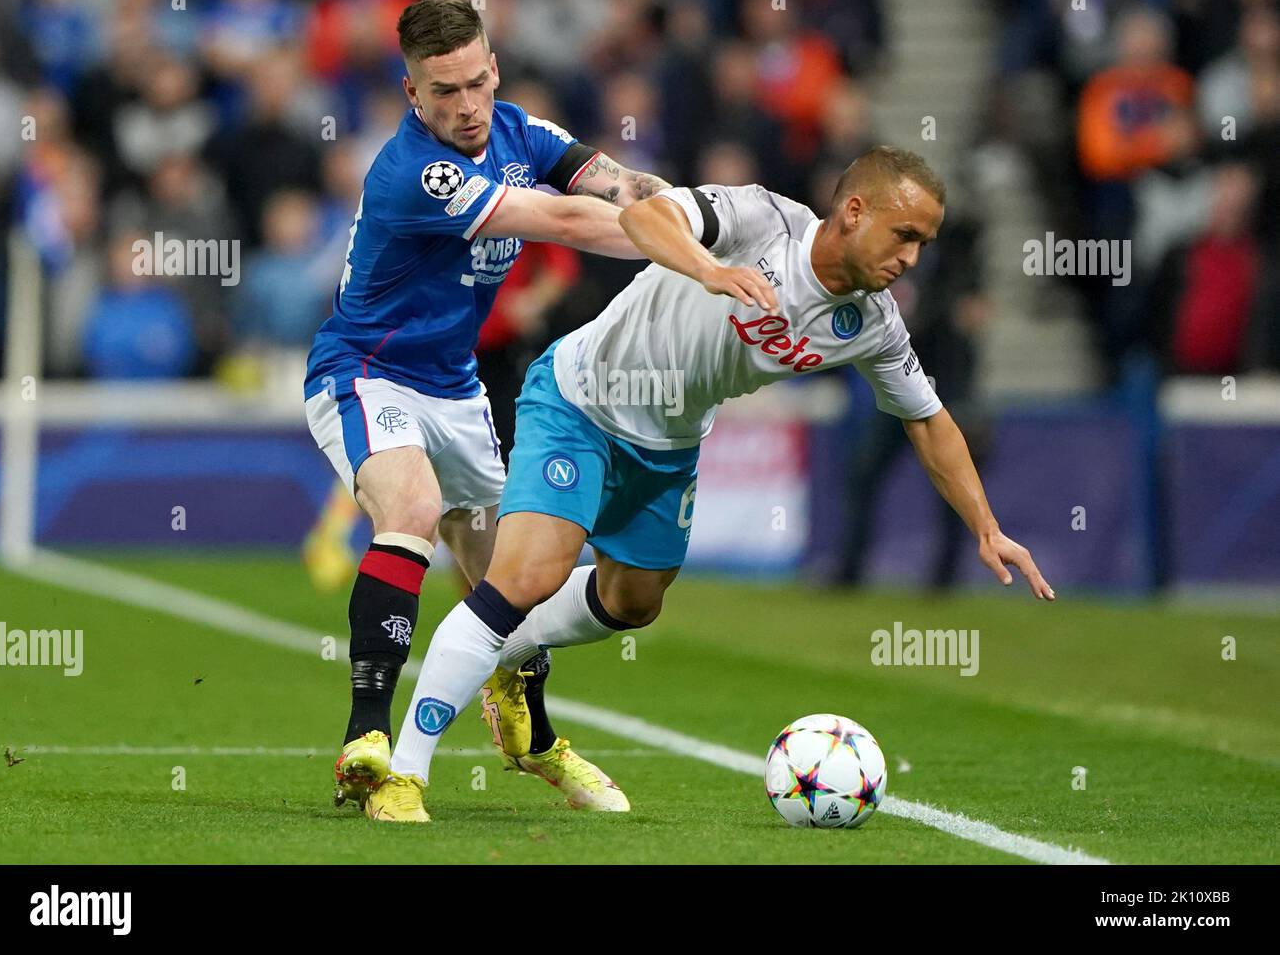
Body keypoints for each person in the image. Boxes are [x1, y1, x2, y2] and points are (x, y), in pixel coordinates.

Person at [368, 146, 1055, 822]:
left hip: (669, 440)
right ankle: (406, 772)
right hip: (581, 399)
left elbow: (929, 420)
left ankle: (507, 656)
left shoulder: (871, 324)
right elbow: (642, 215)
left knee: (634, 601)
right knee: (526, 577)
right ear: (853, 211)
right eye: (904, 235)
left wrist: (987, 528)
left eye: (923, 244)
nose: (910, 257)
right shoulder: (762, 220)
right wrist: (708, 269)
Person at [302, 0, 764, 815]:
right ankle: (366, 740)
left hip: (455, 385)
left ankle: (531, 735)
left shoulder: (523, 131)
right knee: (411, 505)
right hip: (366, 373)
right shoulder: (416, 170)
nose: (468, 105)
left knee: (506, 579)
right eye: (445, 91)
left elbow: (621, 184)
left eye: (477, 82)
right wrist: (694, 260)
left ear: (495, 69)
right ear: (413, 95)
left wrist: (696, 213)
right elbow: (559, 218)